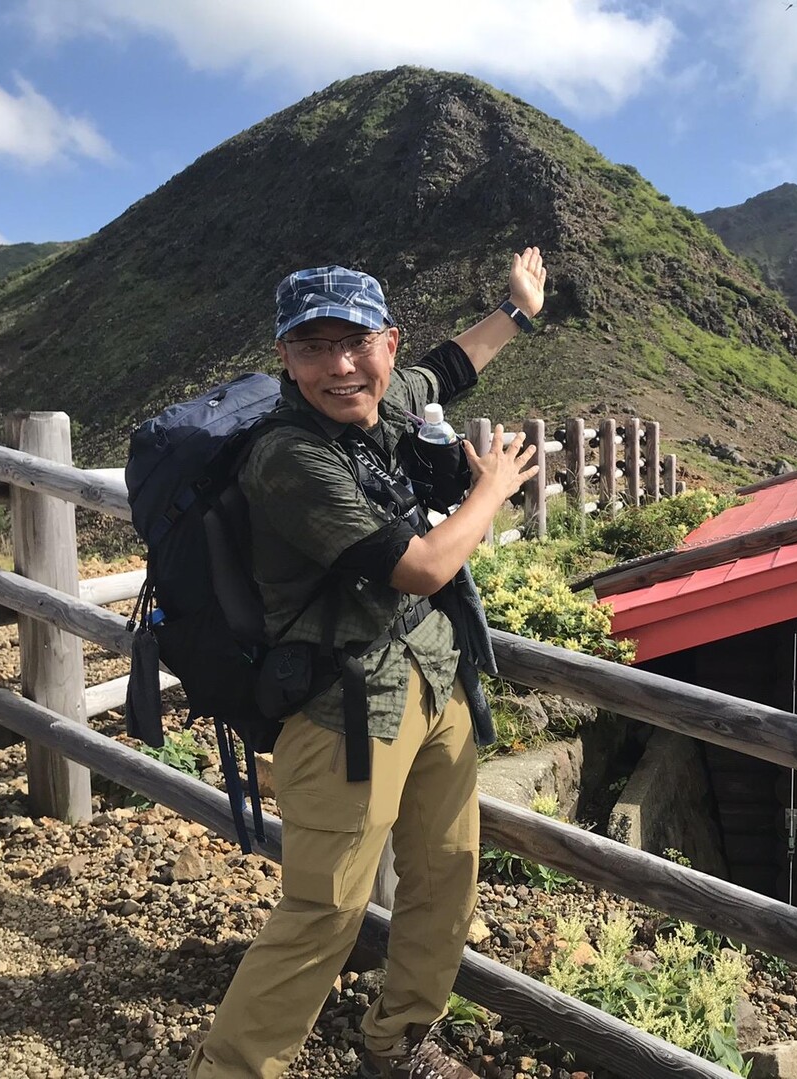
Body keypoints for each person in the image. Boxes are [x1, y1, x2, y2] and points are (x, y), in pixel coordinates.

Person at [188, 250, 546, 1079]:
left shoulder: (381, 399)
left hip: (430, 674)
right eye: (312, 347)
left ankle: (398, 1041)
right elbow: (420, 567)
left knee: (446, 874)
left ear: (388, 342)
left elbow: (452, 366)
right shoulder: (289, 456)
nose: (338, 365)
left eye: (354, 342)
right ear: (285, 357)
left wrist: (516, 309)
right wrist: (490, 491)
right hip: (339, 704)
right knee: (325, 909)